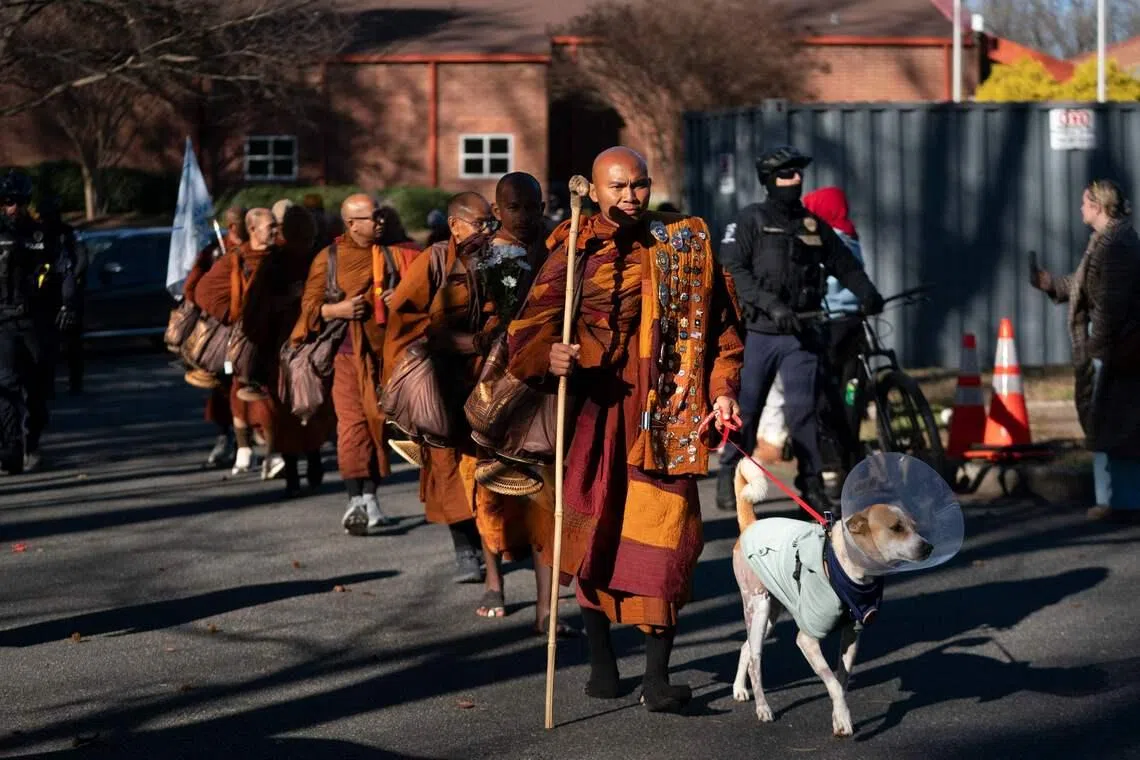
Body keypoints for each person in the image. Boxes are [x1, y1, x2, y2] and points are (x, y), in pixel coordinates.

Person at [507, 147, 743, 712]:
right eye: (618, 187)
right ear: (592, 188)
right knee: (595, 536)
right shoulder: (572, 251)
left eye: (639, 185)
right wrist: (551, 355)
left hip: (668, 413)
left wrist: (723, 389)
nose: (631, 197)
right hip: (595, 412)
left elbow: (722, 333)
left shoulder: (684, 245)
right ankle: (602, 667)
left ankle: (657, 679)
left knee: (668, 536)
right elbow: (524, 334)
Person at [714, 146, 883, 513]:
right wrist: (771, 306)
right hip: (760, 332)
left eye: (798, 174)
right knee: (749, 406)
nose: (794, 180)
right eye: (785, 175)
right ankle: (728, 473)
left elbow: (844, 264)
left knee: (804, 411)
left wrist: (867, 293)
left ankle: (811, 484)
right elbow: (733, 270)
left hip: (803, 335)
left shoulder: (812, 225)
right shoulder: (750, 221)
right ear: (769, 181)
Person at [384, 192, 502, 588]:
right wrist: (447, 342)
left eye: (491, 223)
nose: (487, 230)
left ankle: (494, 544)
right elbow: (403, 315)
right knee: (449, 466)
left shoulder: (499, 256)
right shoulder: (435, 259)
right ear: (455, 225)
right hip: (440, 378)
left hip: (485, 376)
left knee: (485, 461)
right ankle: (464, 546)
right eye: (480, 223)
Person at [290, 194, 419, 534]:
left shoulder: (393, 254)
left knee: (379, 424)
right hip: (346, 354)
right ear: (351, 224)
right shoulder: (330, 257)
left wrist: (400, 297)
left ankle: (371, 498)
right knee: (352, 425)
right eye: (371, 217)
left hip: (385, 355)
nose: (379, 222)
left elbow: (421, 292)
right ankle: (354, 499)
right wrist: (337, 310)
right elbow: (308, 306)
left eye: (380, 216)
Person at [1029, 179, 1140, 523]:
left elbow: (1110, 304)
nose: (1080, 208)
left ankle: (1116, 501)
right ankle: (1114, 498)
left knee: (1110, 422)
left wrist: (1099, 348)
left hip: (1114, 346)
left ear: (1099, 206)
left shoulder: (1117, 245)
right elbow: (1082, 286)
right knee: (1107, 422)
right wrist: (1050, 285)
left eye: (1084, 203)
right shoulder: (1104, 241)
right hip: (1109, 344)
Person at [243, 205, 332, 496]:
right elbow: (256, 309)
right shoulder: (282, 263)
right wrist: (287, 301)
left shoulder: (314, 259)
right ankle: (304, 466)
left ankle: (302, 467)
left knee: (293, 408)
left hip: (294, 347)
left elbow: (252, 312)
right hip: (297, 346)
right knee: (305, 406)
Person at [0, 170, 76, 473]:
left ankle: (31, 443)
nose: (12, 207)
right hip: (2, 324)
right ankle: (9, 448)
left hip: (35, 324)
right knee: (5, 387)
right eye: (7, 202)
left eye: (17, 201)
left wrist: (67, 303)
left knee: (37, 390)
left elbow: (65, 270)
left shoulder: (41, 237)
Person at [194, 208, 277, 477]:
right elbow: (199, 290)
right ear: (250, 229)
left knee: (269, 397)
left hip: (274, 339)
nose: (276, 231)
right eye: (270, 227)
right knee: (245, 394)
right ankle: (253, 451)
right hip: (243, 342)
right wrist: (230, 315)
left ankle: (264, 452)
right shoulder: (232, 259)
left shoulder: (278, 258)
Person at [185, 205, 247, 468]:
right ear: (233, 227)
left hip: (250, 332)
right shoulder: (213, 253)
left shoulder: (256, 252)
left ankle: (254, 441)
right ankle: (226, 438)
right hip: (222, 333)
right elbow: (192, 290)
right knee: (224, 387)